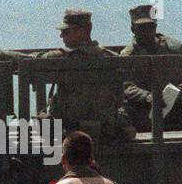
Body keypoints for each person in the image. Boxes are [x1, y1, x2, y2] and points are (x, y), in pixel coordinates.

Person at [37, 8, 135, 142]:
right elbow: (119, 98)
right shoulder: (112, 58)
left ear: (83, 30)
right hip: (107, 133)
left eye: (65, 31)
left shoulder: (60, 57)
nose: (62, 36)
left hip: (69, 133)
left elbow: (29, 60)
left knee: (40, 119)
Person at [119, 4, 182, 131]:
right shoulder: (128, 55)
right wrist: (148, 97)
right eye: (141, 27)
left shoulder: (173, 48)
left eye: (150, 26)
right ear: (133, 29)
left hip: (180, 104)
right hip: (144, 110)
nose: (147, 31)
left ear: (155, 27)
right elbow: (126, 86)